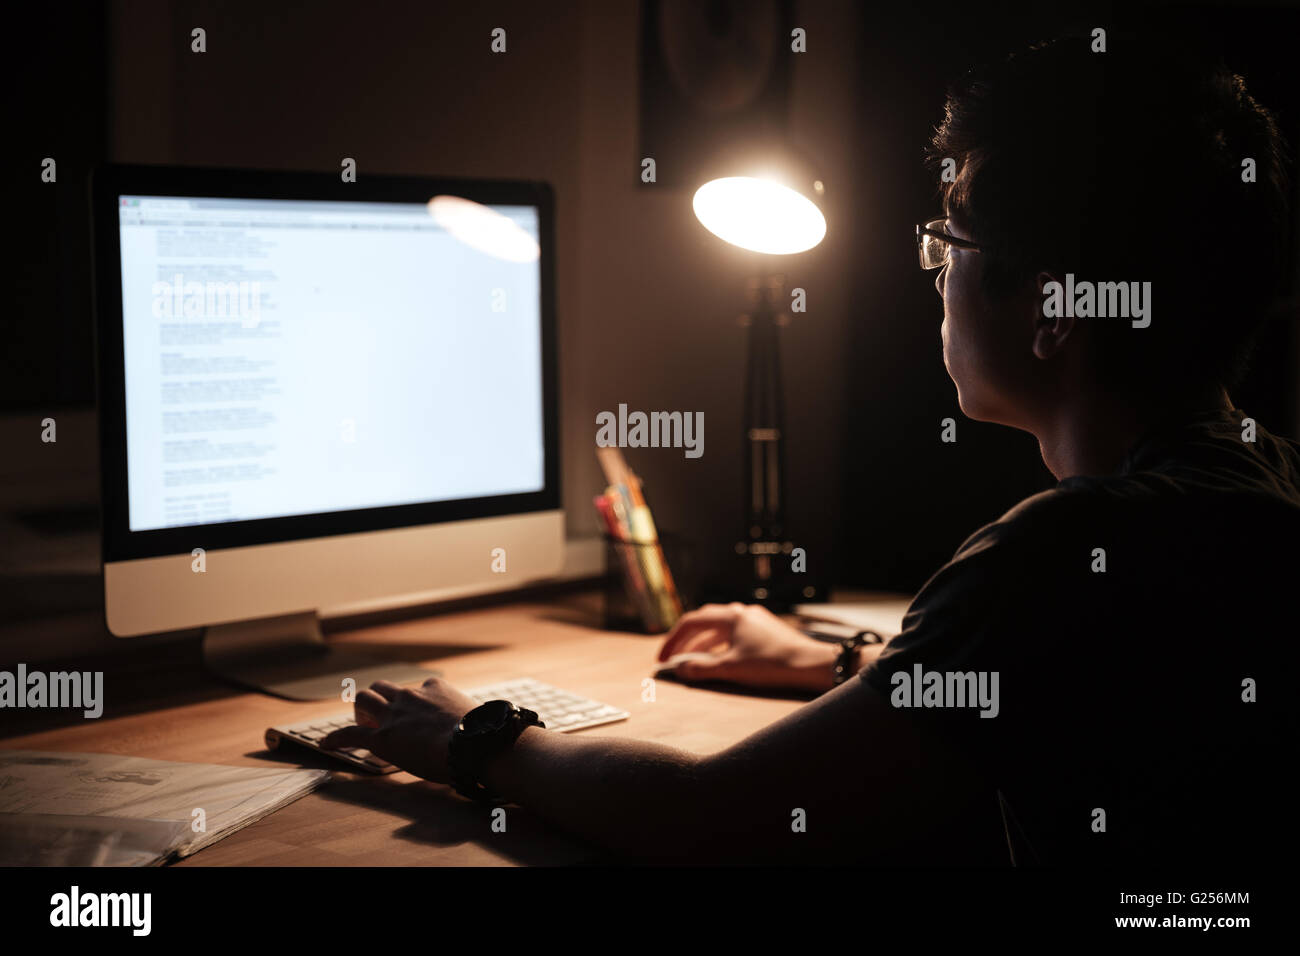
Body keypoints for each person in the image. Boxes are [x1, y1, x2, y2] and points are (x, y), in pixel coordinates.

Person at [323, 35, 1299, 865]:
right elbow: (1068, 687)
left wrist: (478, 738)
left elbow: (706, 817)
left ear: (1052, 309)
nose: (932, 275)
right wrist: (844, 668)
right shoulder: (1259, 479)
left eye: (944, 242)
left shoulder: (1061, 548)